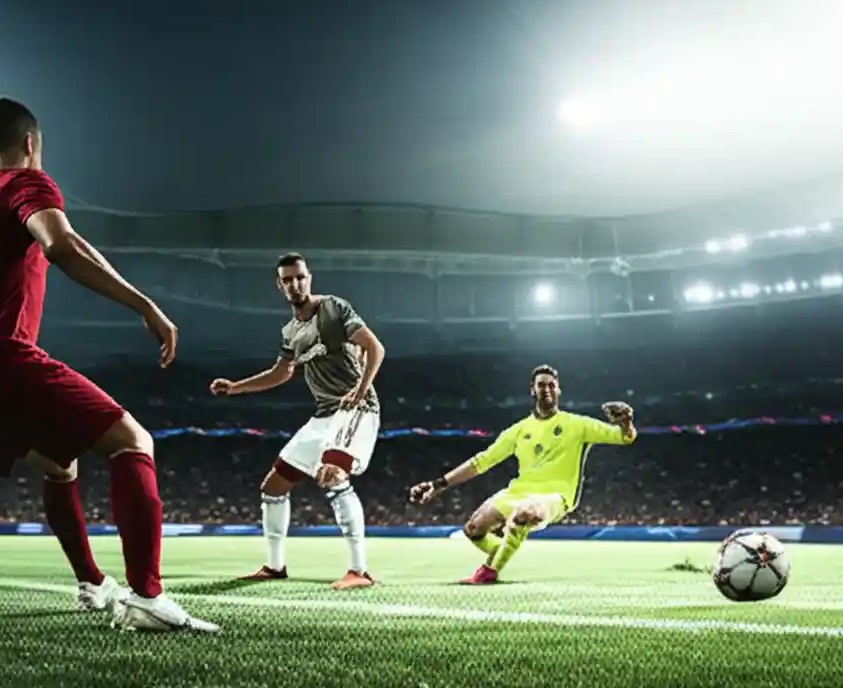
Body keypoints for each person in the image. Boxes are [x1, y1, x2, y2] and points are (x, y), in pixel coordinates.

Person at [0, 97, 216, 632]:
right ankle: (146, 598)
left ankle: (92, 583)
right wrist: (146, 306)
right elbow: (62, 246)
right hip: (2, 356)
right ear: (30, 143)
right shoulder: (28, 183)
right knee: (134, 442)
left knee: (60, 466)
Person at [209, 253, 385, 590]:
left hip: (354, 410)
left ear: (309, 278)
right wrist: (235, 387)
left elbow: (375, 348)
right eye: (288, 280)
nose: (295, 284)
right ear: (280, 285)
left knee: (332, 475)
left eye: (300, 277)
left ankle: (359, 571)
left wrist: (361, 390)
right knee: (273, 485)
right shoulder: (291, 331)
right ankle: (275, 566)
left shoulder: (333, 308)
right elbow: (281, 372)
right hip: (322, 416)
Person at [408, 364, 636, 584]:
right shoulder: (518, 430)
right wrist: (439, 484)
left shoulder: (578, 424)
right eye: (541, 385)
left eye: (550, 385)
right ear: (532, 390)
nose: (546, 389)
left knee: (525, 513)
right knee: (473, 529)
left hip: (555, 496)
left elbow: (623, 437)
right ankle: (502, 550)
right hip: (518, 491)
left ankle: (489, 571)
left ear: (558, 390)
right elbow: (482, 461)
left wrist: (625, 422)